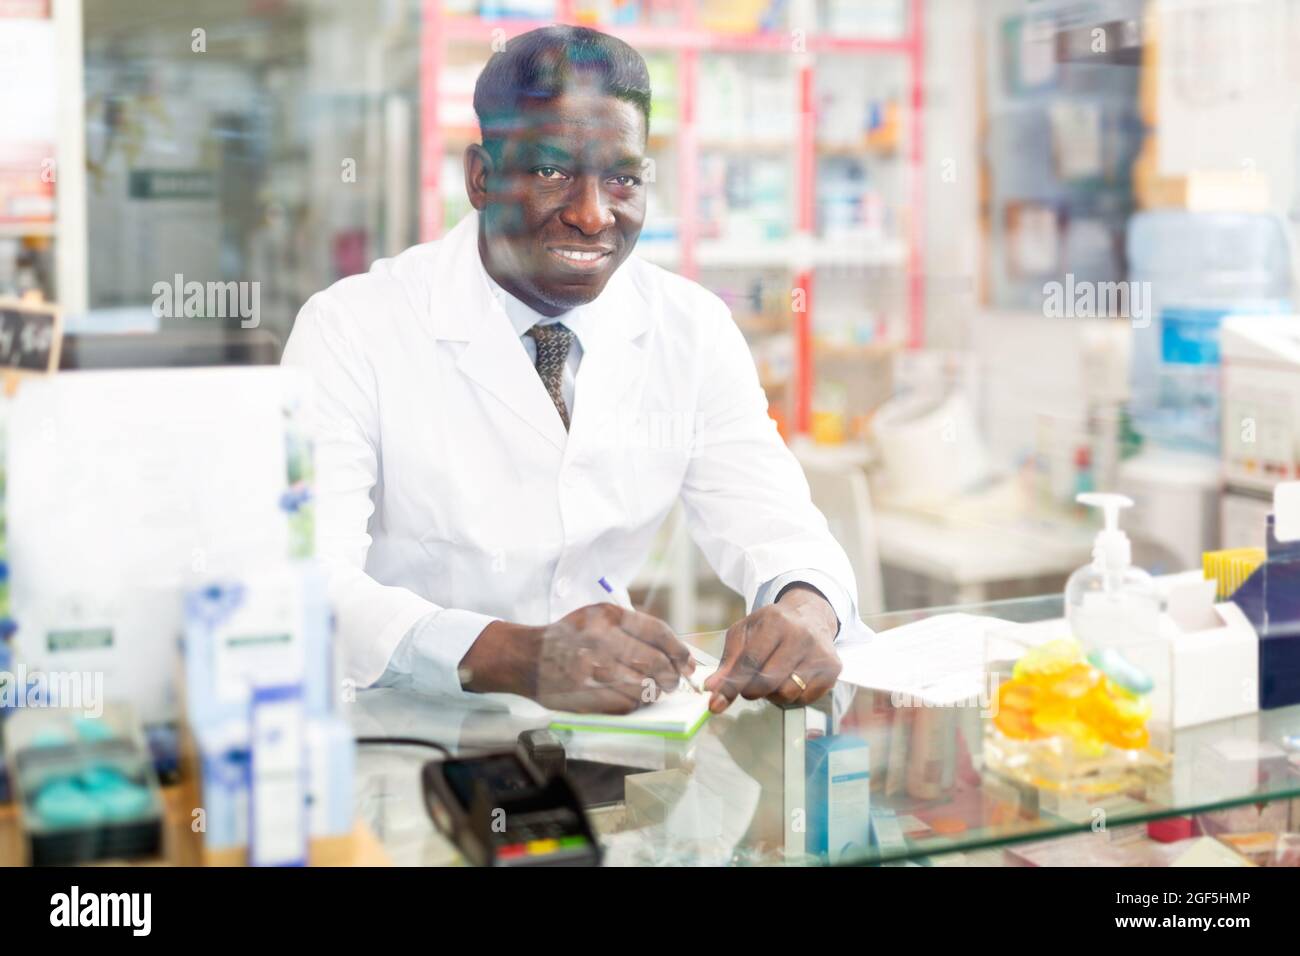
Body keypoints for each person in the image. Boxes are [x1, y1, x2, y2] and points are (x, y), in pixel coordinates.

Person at [282, 25, 859, 716]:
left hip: (614, 732)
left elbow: (781, 529)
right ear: (481, 178)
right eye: (552, 172)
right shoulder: (352, 328)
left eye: (621, 177)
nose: (592, 215)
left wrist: (806, 608)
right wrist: (504, 653)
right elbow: (304, 578)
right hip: (410, 738)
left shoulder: (692, 328)